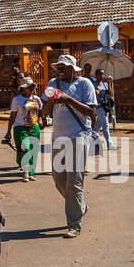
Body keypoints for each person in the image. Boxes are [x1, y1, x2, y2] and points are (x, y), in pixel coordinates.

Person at [43, 54, 98, 238]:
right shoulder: (53, 82)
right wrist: (51, 99)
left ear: (73, 69)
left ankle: (74, 224)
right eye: (58, 66)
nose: (60, 69)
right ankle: (80, 206)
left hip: (78, 137)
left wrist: (67, 99)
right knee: (58, 180)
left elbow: (91, 112)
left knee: (73, 183)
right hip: (58, 138)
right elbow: (44, 111)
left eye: (64, 66)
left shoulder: (84, 84)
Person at [3, 77, 43, 180]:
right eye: (27, 86)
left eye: (31, 86)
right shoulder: (17, 99)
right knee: (26, 148)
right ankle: (26, 171)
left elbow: (40, 112)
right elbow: (13, 115)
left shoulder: (37, 99)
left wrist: (41, 120)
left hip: (34, 127)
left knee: (33, 150)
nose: (30, 88)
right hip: (20, 127)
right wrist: (8, 131)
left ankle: (31, 172)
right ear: (23, 88)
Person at [92, 68, 115, 154]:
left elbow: (109, 94)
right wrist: (95, 92)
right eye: (100, 74)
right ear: (96, 75)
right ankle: (110, 144)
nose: (102, 76)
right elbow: (92, 94)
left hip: (105, 107)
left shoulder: (105, 84)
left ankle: (91, 143)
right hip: (99, 107)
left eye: (103, 74)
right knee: (105, 127)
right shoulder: (93, 84)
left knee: (96, 128)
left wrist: (109, 83)